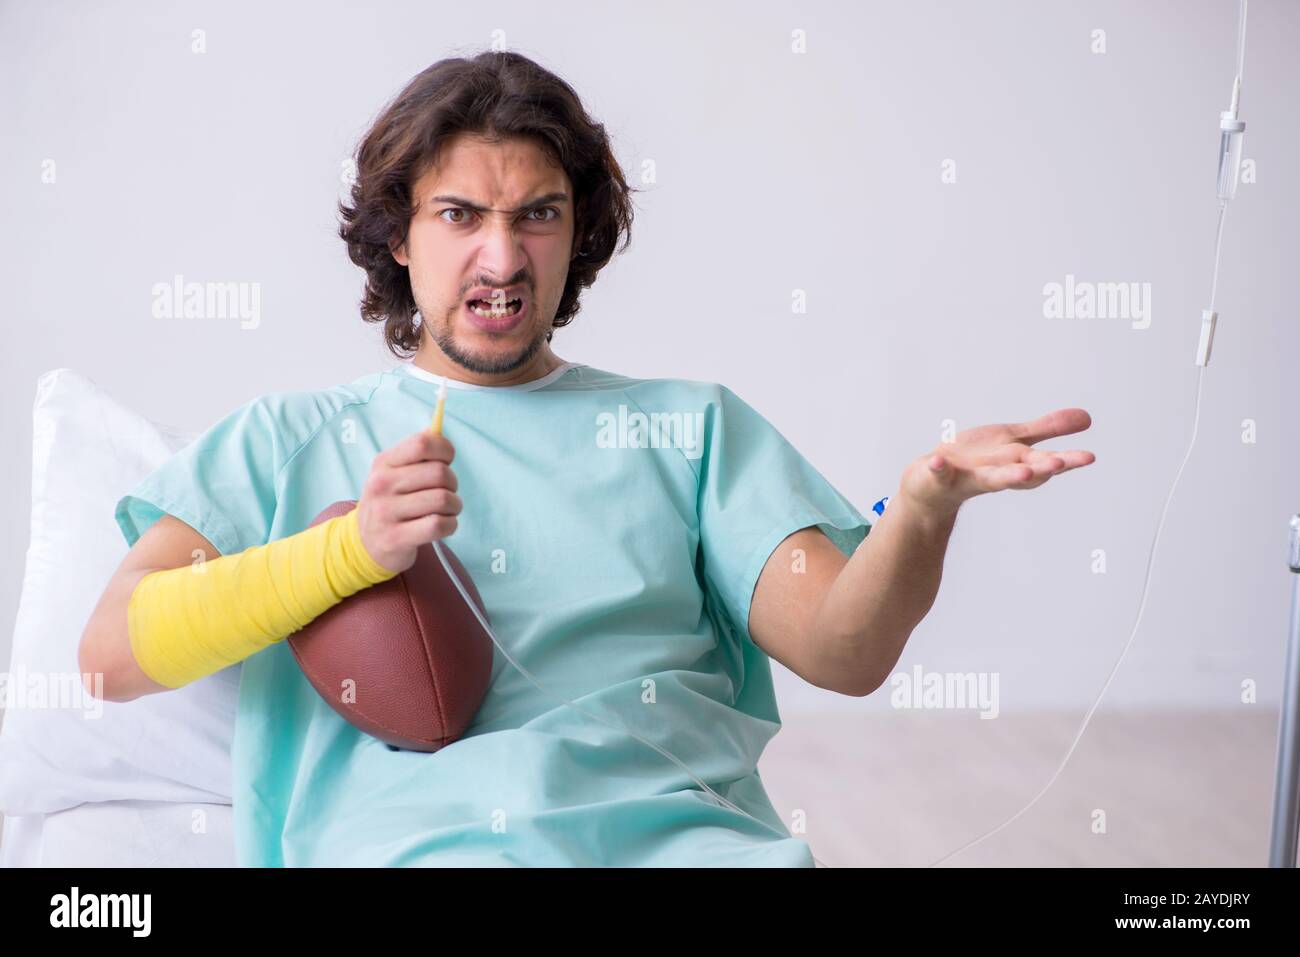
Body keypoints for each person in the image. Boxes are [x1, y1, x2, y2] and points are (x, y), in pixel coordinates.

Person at [79, 51, 1094, 867]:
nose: (503, 255)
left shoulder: (690, 431)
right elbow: (111, 658)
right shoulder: (287, 440)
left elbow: (845, 651)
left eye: (539, 213)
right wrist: (345, 555)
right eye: (458, 214)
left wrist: (921, 509)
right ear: (397, 235)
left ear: (578, 236)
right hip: (417, 847)